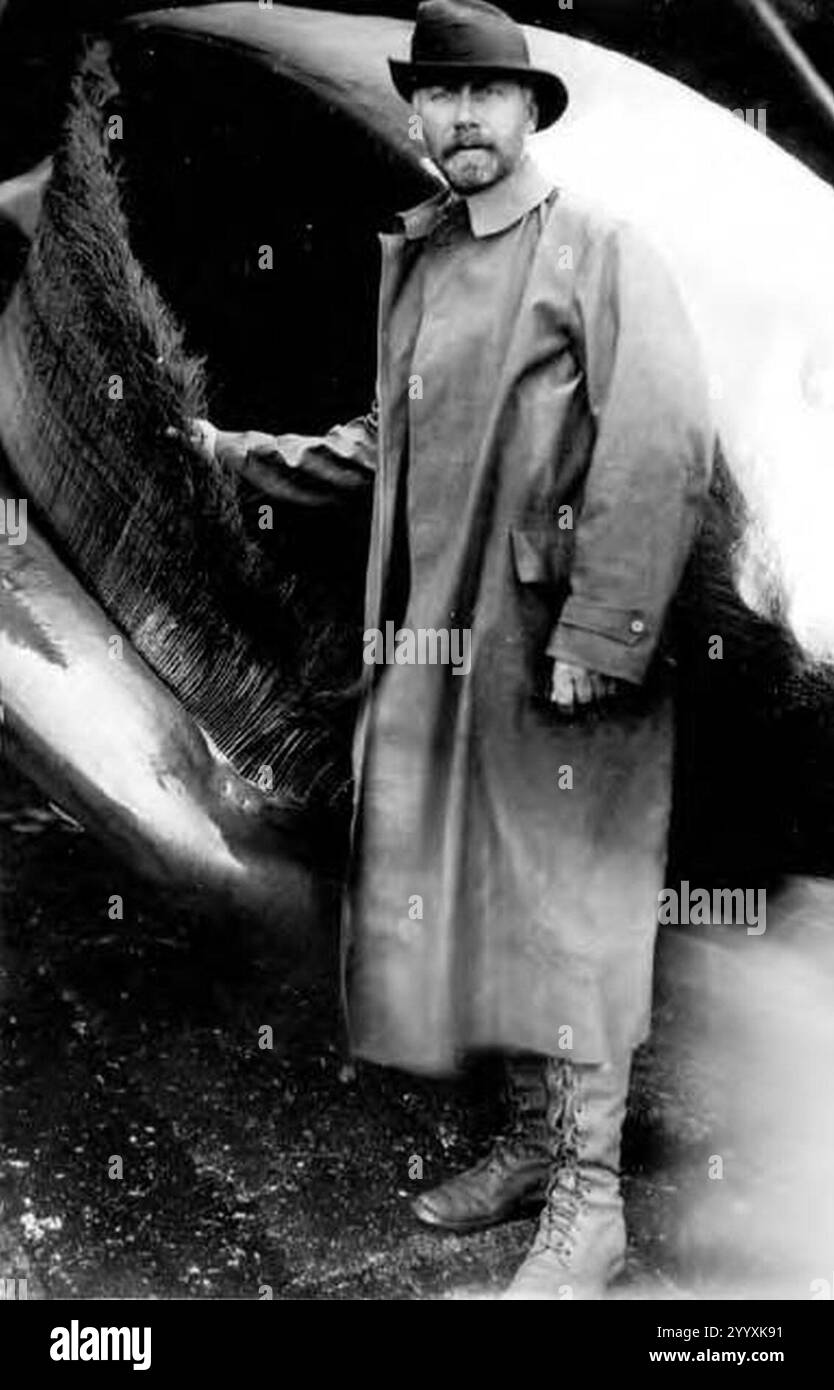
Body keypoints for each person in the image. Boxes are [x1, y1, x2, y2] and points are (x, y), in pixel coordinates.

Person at [187, 0, 714, 1299]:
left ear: (529, 111)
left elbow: (660, 447)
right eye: (439, 97)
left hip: (563, 659)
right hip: (451, 655)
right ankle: (539, 1148)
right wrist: (236, 456)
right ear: (417, 115)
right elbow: (389, 444)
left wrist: (601, 630)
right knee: (500, 909)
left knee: (579, 921)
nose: (462, 119)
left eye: (487, 96)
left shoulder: (599, 252)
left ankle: (588, 1211)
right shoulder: (423, 262)